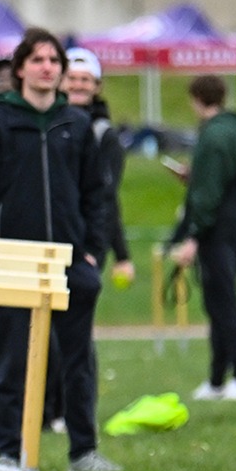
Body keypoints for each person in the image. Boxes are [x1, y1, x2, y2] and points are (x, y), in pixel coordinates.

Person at [0, 27, 118, 471]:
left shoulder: (78, 124)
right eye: (39, 60)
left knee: (78, 363)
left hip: (69, 263)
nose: (47, 67)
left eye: (54, 61)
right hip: (13, 263)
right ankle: (8, 453)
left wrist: (92, 253)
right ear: (21, 68)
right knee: (11, 363)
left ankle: (83, 452)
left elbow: (96, 196)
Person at [170, 74, 236, 401]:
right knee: (218, 304)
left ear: (196, 98)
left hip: (217, 232)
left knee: (224, 306)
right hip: (235, 229)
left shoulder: (213, 137)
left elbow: (208, 194)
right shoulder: (233, 131)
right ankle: (218, 379)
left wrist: (193, 237)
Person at [62, 49, 136, 293]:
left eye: (85, 80)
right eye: (72, 78)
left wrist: (121, 254)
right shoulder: (49, 125)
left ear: (97, 86)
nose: (78, 85)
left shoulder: (104, 135)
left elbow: (106, 196)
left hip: (86, 240)